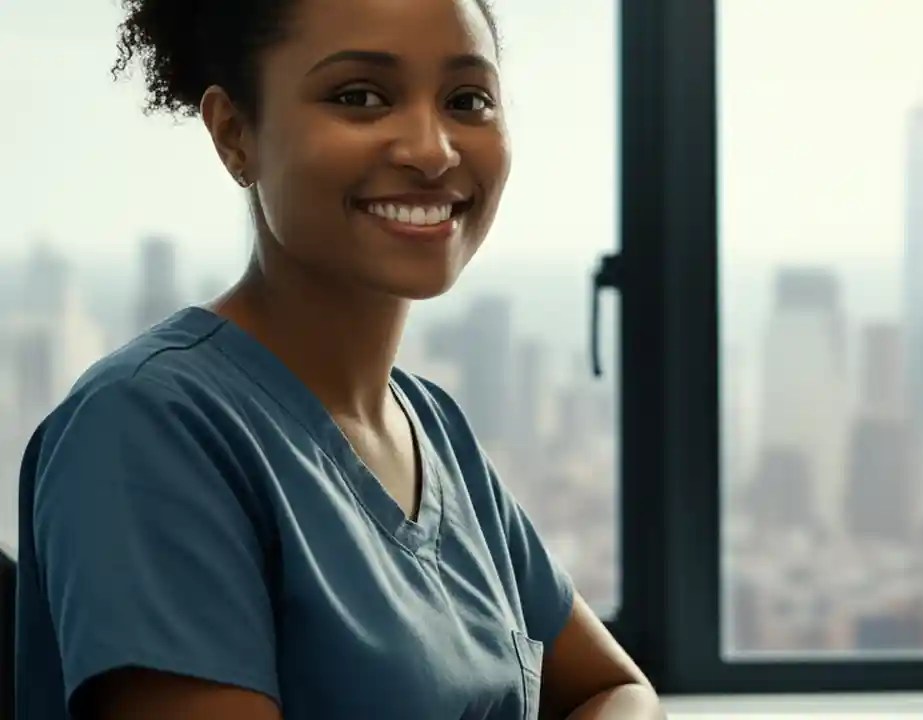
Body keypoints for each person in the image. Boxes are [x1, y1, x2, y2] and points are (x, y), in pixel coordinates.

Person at [13, 0, 664, 718]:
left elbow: (618, 688)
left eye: (467, 99)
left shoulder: (432, 427)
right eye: (360, 97)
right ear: (235, 135)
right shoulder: (145, 429)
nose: (432, 149)